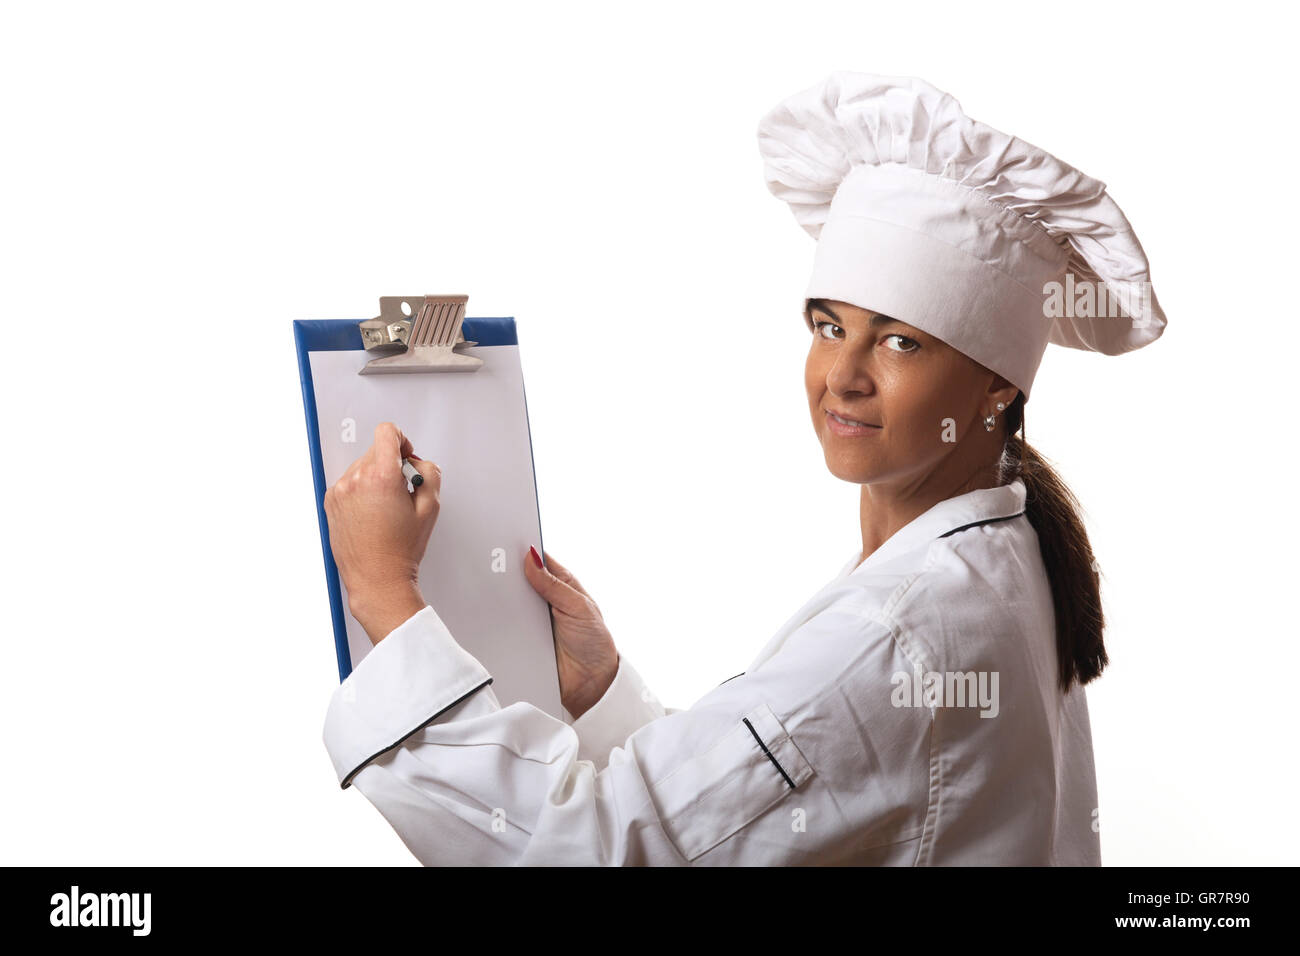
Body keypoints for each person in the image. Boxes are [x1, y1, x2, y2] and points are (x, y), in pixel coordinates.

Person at [320, 70, 1166, 865]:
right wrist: (605, 692)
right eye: (829, 325)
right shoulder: (1001, 546)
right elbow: (779, 805)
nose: (843, 375)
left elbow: (583, 847)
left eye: (900, 341)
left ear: (996, 386)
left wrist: (384, 593)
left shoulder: (898, 635)